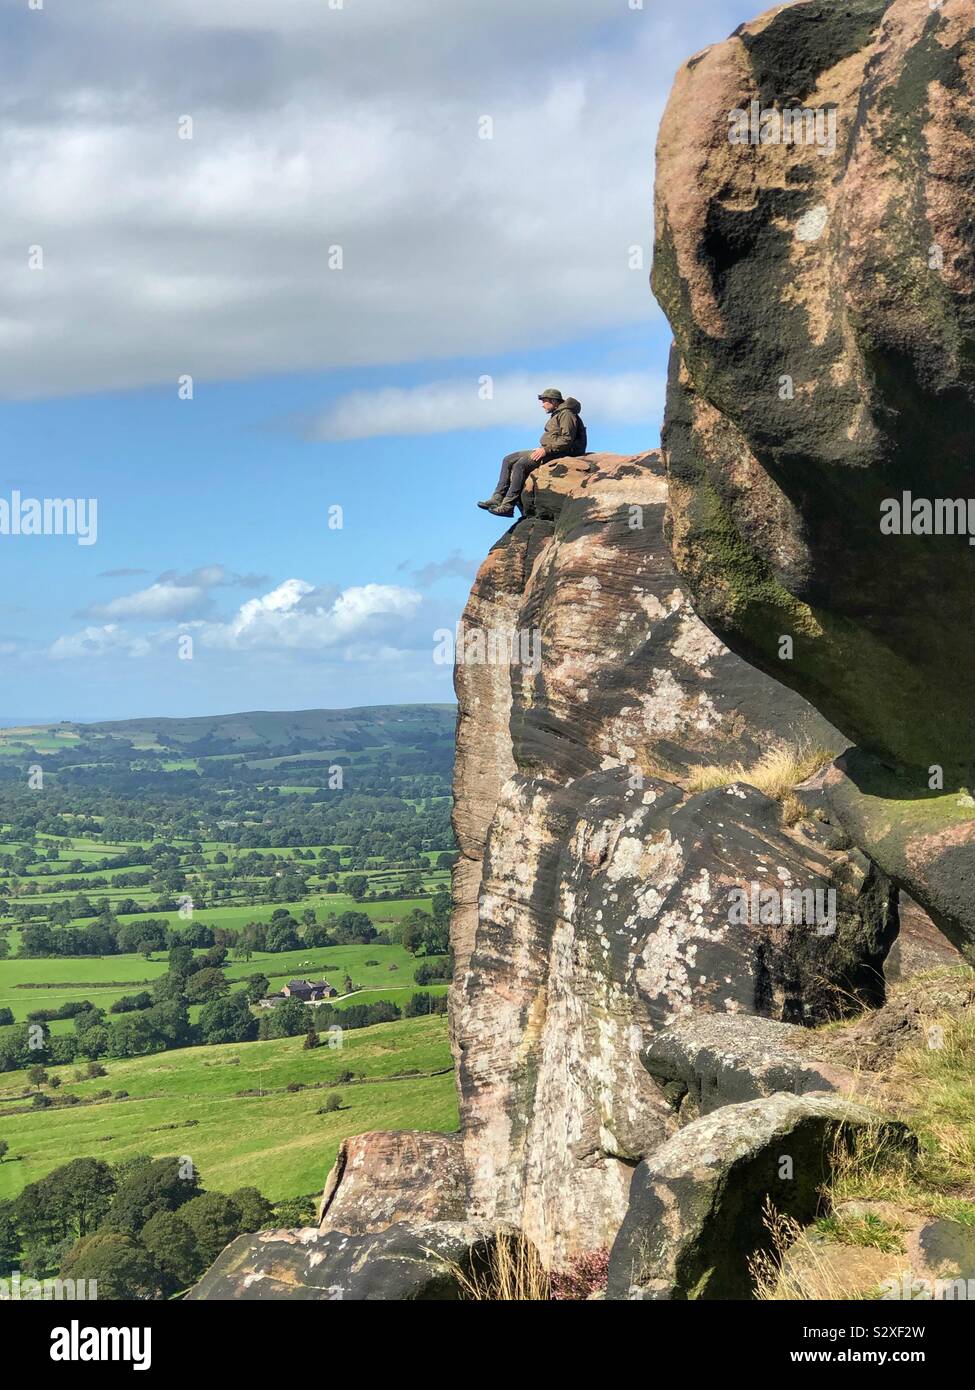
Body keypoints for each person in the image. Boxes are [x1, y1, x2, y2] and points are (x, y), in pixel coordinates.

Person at [478, 389, 588, 517]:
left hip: (561, 452)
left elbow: (566, 439)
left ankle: (508, 505)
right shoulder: (558, 413)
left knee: (520, 465)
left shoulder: (566, 414)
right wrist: (543, 448)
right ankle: (497, 497)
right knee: (508, 459)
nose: (542, 405)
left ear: (553, 401)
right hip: (549, 449)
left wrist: (546, 450)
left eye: (544, 401)